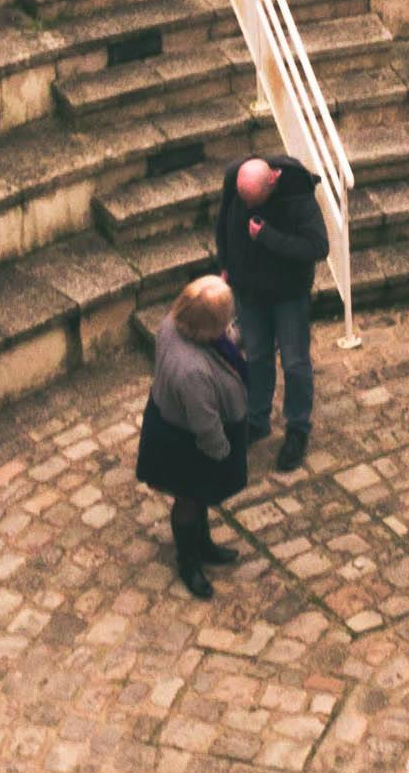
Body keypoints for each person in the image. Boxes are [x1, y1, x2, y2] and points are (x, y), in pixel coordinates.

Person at [135, 274, 248, 600]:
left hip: (174, 424)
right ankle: (189, 562)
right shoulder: (193, 371)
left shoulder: (174, 323)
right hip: (185, 439)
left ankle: (204, 545)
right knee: (189, 496)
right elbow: (206, 424)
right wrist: (224, 452)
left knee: (198, 496)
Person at [217, 149, 329, 474]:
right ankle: (257, 418)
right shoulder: (237, 180)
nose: (248, 206)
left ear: (273, 181)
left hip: (287, 295)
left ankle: (297, 428)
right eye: (244, 200)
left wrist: (267, 237)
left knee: (295, 363)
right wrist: (225, 264)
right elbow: (224, 221)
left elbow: (317, 247)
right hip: (249, 290)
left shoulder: (298, 196)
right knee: (256, 356)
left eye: (254, 202)